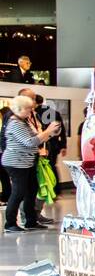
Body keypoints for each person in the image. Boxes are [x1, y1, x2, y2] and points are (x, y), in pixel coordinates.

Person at [2, 95, 60, 234]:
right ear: (19, 109)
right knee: (18, 192)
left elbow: (37, 138)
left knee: (31, 190)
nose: (31, 111)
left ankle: (31, 221)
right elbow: (30, 141)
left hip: (27, 162)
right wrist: (48, 131)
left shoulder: (24, 121)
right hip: (16, 163)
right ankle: (10, 224)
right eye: (28, 109)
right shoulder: (15, 123)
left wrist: (50, 133)